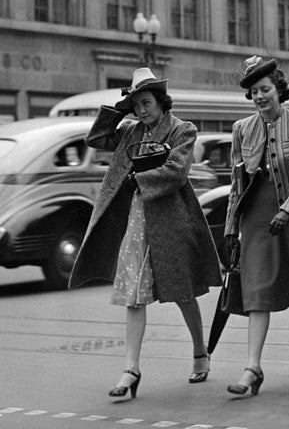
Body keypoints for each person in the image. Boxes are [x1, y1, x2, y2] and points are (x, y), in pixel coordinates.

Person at [68, 68, 222, 400]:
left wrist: (139, 180)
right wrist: (119, 110)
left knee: (182, 292)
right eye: (136, 105)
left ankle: (199, 351)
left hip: (171, 219)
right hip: (137, 220)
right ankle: (131, 369)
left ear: (161, 101)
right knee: (133, 293)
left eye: (146, 102)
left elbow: (177, 172)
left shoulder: (183, 130)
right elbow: (95, 139)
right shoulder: (131, 131)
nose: (141, 110)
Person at [223, 56, 289, 397]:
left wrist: (288, 210)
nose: (259, 96)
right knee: (257, 292)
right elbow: (236, 184)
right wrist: (230, 227)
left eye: (265, 89)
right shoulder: (242, 130)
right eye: (253, 91)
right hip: (256, 220)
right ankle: (252, 367)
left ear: (279, 90)